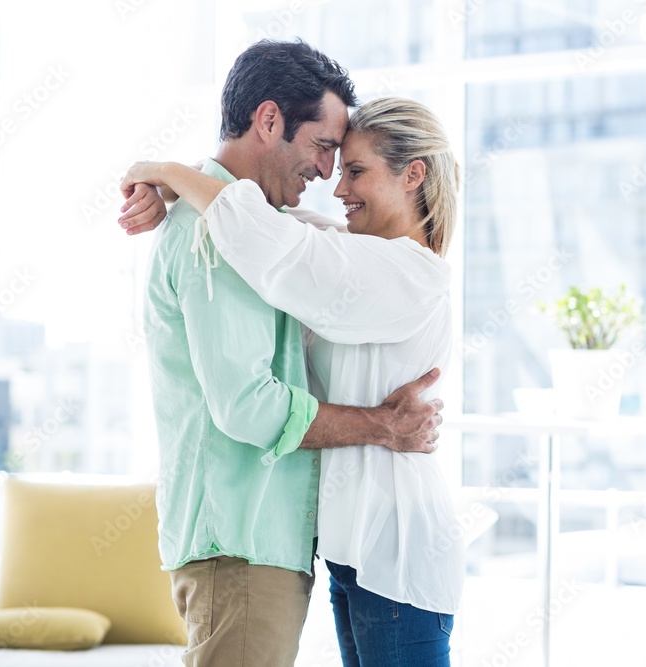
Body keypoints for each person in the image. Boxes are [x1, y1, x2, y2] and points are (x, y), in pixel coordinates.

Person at [125, 41, 445, 667]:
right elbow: (248, 405)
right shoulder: (218, 232)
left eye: (350, 165)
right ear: (270, 121)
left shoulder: (253, 229)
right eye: (326, 149)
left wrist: (166, 172)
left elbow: (309, 252)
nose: (328, 177)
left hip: (264, 546)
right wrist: (383, 426)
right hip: (241, 545)